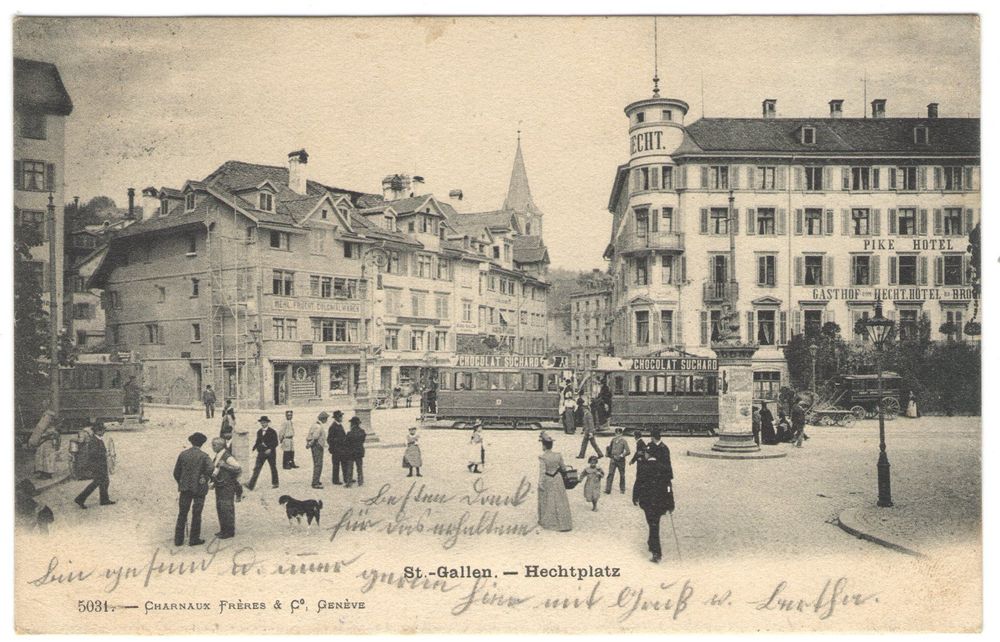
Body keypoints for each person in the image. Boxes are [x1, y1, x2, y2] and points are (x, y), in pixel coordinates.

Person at [637, 429, 674, 563]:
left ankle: (656, 552)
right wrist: (670, 503)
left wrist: (636, 497)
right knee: (653, 524)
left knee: (653, 525)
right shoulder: (663, 470)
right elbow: (669, 486)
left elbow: (639, 482)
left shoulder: (645, 468)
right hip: (659, 502)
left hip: (649, 502)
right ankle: (652, 544)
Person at [173, 432, 214, 547]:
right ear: (202, 443)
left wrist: (181, 482)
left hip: (185, 488)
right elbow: (211, 468)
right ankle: (194, 539)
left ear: (191, 442)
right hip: (199, 489)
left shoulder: (183, 454)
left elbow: (176, 473)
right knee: (197, 513)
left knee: (182, 513)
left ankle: (178, 540)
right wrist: (204, 478)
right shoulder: (204, 456)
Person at [74, 421, 115, 509]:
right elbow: (93, 453)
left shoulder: (97, 439)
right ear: (98, 431)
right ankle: (80, 499)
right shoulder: (94, 440)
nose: (104, 432)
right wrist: (103, 455)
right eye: (103, 430)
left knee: (104, 481)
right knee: (97, 483)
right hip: (97, 465)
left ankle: (104, 499)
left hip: (100, 464)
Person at [537, 432, 572, 531]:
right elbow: (564, 468)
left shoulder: (542, 457)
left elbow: (542, 472)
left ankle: (550, 521)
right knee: (560, 499)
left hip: (548, 479)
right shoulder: (558, 455)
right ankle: (563, 522)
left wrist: (540, 483)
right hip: (558, 478)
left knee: (549, 500)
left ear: (544, 446)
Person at [210, 437, 241, 540]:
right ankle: (223, 530)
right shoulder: (220, 454)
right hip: (220, 485)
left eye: (214, 445)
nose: (212, 446)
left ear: (220, 445)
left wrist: (225, 466)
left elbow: (238, 468)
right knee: (220, 508)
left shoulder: (227, 456)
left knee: (226, 508)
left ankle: (229, 531)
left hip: (227, 486)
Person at [245, 416, 279, 490]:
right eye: (262, 423)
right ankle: (251, 485)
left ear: (267, 423)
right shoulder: (259, 432)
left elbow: (276, 442)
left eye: (265, 423)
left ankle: (275, 483)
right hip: (261, 453)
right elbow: (258, 441)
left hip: (271, 453)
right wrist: (254, 448)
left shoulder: (273, 431)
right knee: (257, 468)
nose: (263, 424)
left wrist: (270, 448)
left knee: (273, 467)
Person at [605, 426, 631, 494]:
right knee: (610, 474)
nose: (617, 435)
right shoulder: (613, 440)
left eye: (619, 433)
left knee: (622, 475)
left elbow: (628, 451)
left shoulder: (624, 441)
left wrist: (621, 455)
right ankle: (608, 489)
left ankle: (622, 489)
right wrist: (608, 453)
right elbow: (610, 448)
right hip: (613, 459)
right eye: (616, 433)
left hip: (620, 460)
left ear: (621, 434)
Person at [306, 412, 328, 489]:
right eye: (326, 418)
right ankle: (315, 483)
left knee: (317, 464)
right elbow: (315, 437)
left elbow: (309, 436)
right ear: (323, 419)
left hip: (315, 446)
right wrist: (310, 444)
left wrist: (308, 444)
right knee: (318, 464)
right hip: (317, 446)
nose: (327, 420)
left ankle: (316, 480)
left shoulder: (314, 424)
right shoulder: (319, 427)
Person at [345, 416, 367, 487]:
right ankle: (360, 481)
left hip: (351, 452)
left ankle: (349, 483)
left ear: (352, 424)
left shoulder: (349, 433)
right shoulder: (362, 432)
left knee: (350, 468)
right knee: (359, 467)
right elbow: (362, 440)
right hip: (359, 452)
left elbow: (346, 443)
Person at [327, 410, 347, 485]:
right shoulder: (333, 427)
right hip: (336, 450)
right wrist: (339, 441)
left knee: (344, 464)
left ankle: (346, 478)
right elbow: (329, 439)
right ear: (337, 417)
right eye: (341, 416)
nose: (342, 418)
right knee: (336, 465)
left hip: (342, 449)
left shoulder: (339, 425)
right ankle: (335, 480)